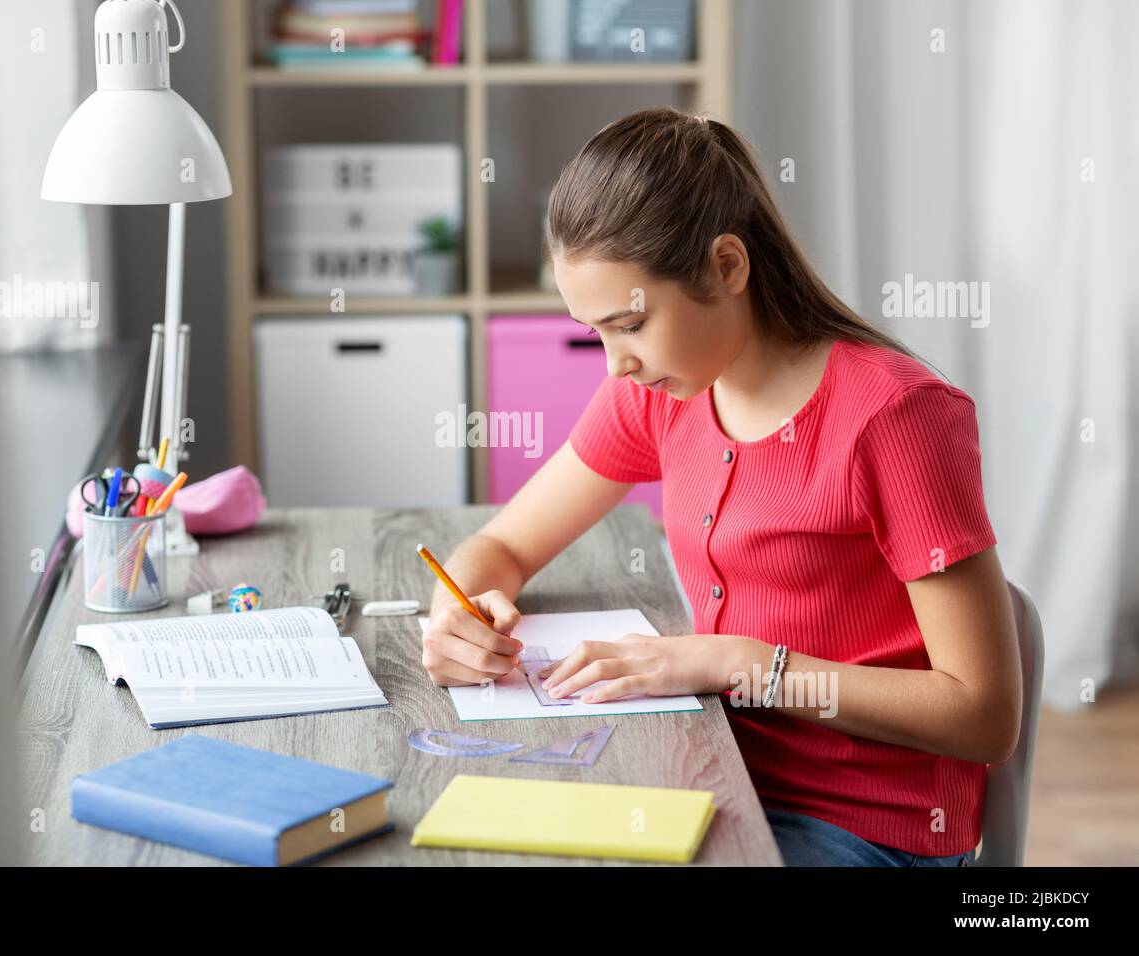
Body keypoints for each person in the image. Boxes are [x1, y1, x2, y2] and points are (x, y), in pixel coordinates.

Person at [420, 107, 1020, 867]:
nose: (614, 364)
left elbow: (983, 713)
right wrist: (458, 613)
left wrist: (734, 661)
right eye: (594, 331)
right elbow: (504, 542)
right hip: (705, 770)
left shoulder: (894, 418)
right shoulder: (663, 391)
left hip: (862, 827)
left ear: (727, 266)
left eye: (628, 325)